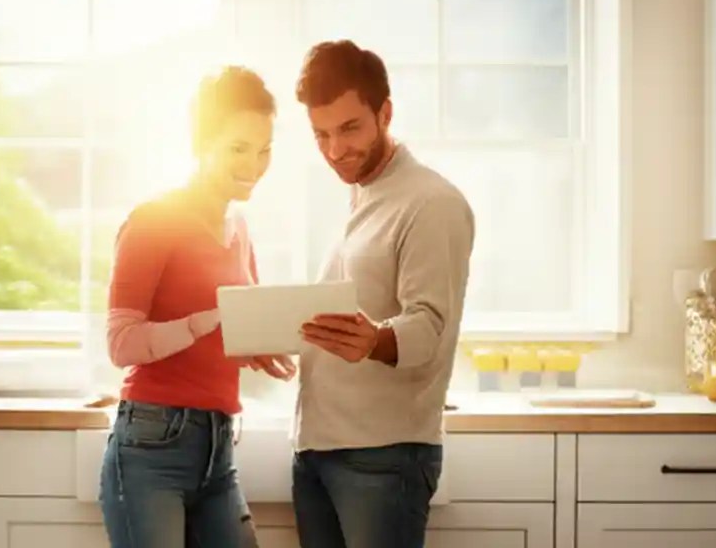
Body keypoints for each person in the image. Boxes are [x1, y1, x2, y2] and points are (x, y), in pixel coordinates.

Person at [99, 65, 296, 548]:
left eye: (265, 149)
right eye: (238, 147)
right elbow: (121, 343)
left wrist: (259, 346)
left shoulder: (240, 229)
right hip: (152, 444)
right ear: (202, 143)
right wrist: (206, 322)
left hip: (218, 447)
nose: (255, 164)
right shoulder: (153, 220)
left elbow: (227, 331)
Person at [291, 40, 475, 548]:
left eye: (349, 128)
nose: (335, 150)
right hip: (320, 449)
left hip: (383, 456)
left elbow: (429, 326)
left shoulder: (430, 202)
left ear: (385, 114)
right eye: (321, 134)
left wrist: (375, 340)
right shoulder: (362, 199)